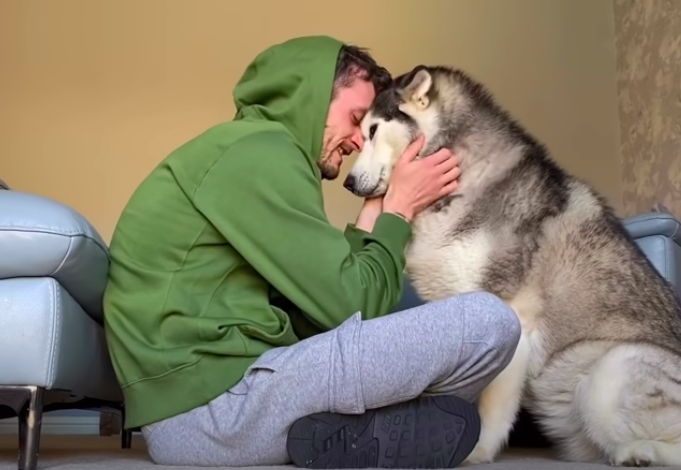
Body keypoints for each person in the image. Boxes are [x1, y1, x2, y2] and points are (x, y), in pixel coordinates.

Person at [102, 35, 521, 468]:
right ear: (312, 94)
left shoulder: (244, 153)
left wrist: (376, 207)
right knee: (489, 321)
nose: (359, 142)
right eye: (356, 118)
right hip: (216, 413)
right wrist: (399, 208)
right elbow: (351, 307)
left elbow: (318, 315)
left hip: (211, 414)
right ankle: (377, 420)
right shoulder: (259, 153)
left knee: (465, 337)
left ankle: (347, 435)